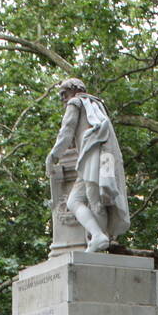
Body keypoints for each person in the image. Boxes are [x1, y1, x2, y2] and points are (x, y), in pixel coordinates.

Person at [44, 77, 130, 252]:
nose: (63, 98)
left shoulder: (76, 103)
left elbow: (66, 131)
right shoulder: (97, 105)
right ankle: (98, 237)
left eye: (64, 93)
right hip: (101, 158)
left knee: (95, 200)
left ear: (75, 90)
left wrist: (53, 156)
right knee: (78, 200)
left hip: (93, 157)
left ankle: (99, 238)